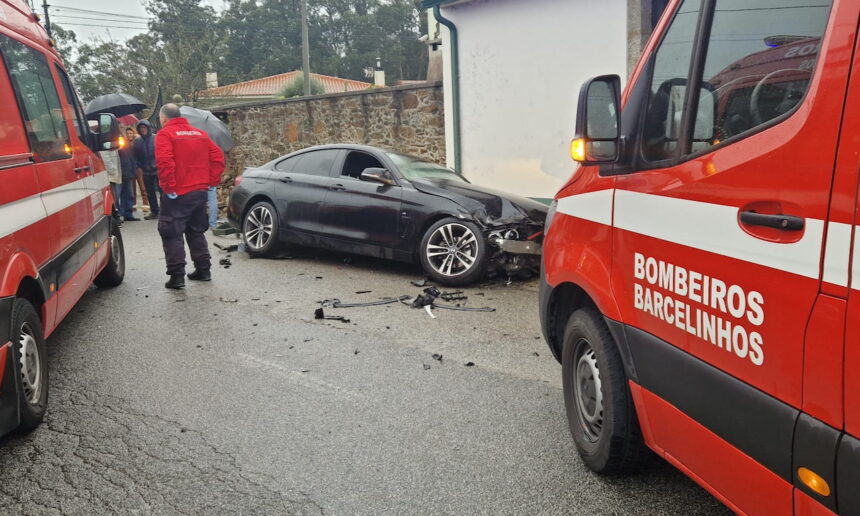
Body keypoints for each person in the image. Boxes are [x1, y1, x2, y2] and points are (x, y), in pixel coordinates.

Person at [155, 103, 225, 289]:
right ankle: (204, 269)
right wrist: (210, 181)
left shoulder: (165, 134)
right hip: (199, 191)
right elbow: (218, 157)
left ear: (163, 118)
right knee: (195, 231)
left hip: (178, 192)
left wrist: (168, 187)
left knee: (171, 233)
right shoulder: (200, 134)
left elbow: (164, 161)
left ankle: (177, 276)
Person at [133, 120, 160, 220]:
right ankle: (154, 211)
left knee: (162, 191)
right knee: (150, 192)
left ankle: (164, 211)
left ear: (148, 128)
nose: (143, 130)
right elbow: (135, 155)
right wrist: (139, 165)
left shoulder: (156, 138)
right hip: (145, 170)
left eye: (144, 128)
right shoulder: (137, 141)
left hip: (157, 169)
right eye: (141, 128)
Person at [119, 127, 139, 221]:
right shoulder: (120, 143)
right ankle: (125, 214)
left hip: (129, 171)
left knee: (127, 193)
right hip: (124, 171)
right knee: (125, 194)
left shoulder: (127, 143)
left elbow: (132, 157)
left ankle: (126, 214)